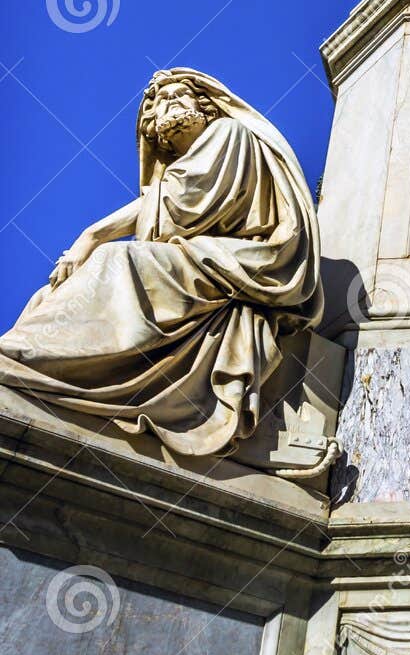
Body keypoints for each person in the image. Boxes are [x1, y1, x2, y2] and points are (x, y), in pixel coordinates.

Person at [0, 68, 322, 457]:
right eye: (161, 100)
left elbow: (182, 205)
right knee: (60, 290)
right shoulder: (182, 168)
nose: (170, 101)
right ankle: (44, 362)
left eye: (180, 95)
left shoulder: (228, 134)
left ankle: (37, 360)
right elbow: (169, 205)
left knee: (117, 262)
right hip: (206, 261)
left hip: (241, 263)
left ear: (205, 106)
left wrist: (93, 234)